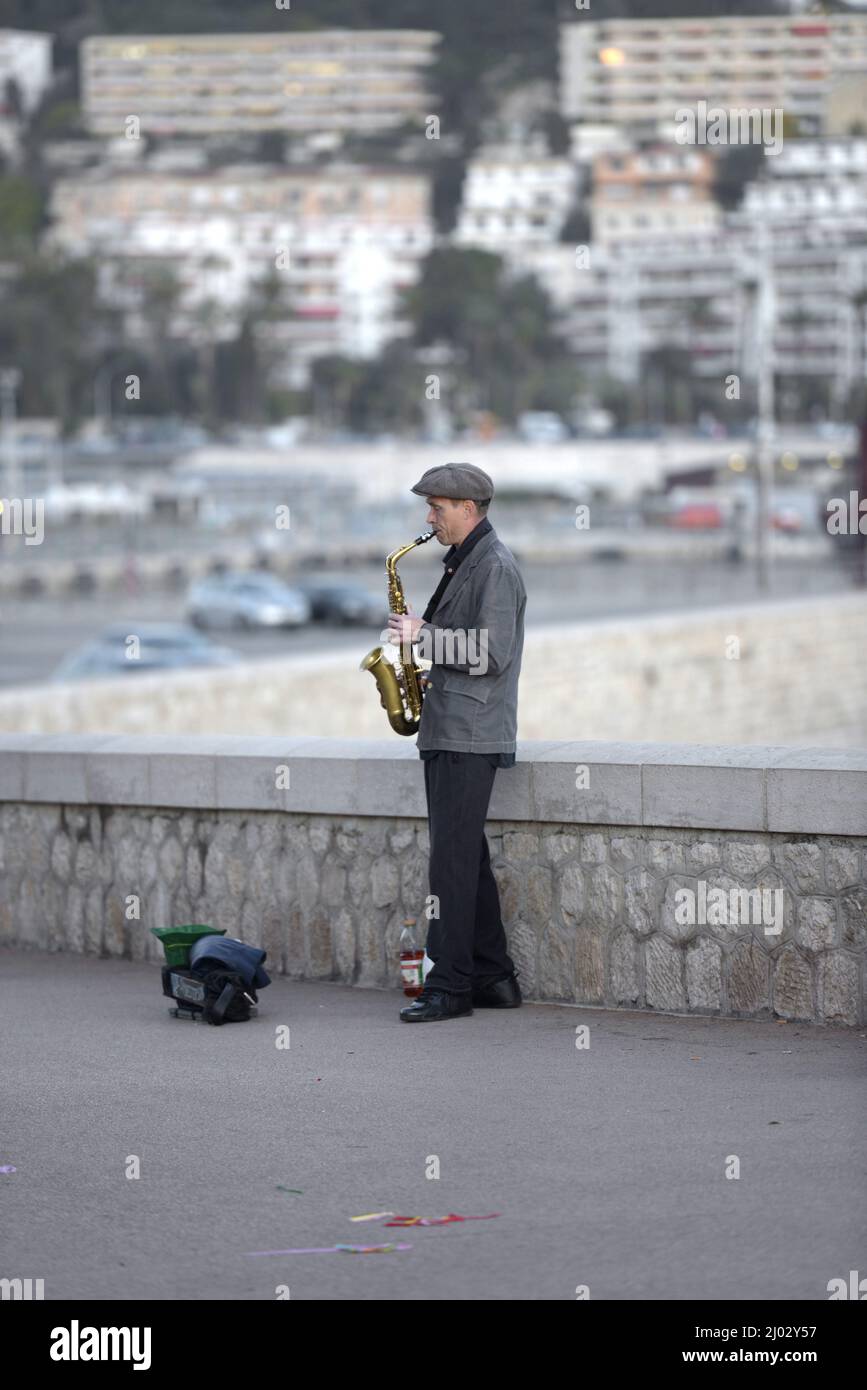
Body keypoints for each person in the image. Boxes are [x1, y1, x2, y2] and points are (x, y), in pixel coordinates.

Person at [387, 463, 526, 1022]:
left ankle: (449, 987)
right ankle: (494, 978)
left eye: (437, 507)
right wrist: (427, 674)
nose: (429, 517)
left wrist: (423, 636)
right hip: (452, 729)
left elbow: (493, 654)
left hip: (471, 737)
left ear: (468, 509)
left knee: (449, 866)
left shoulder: (494, 566)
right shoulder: (468, 562)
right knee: (467, 863)